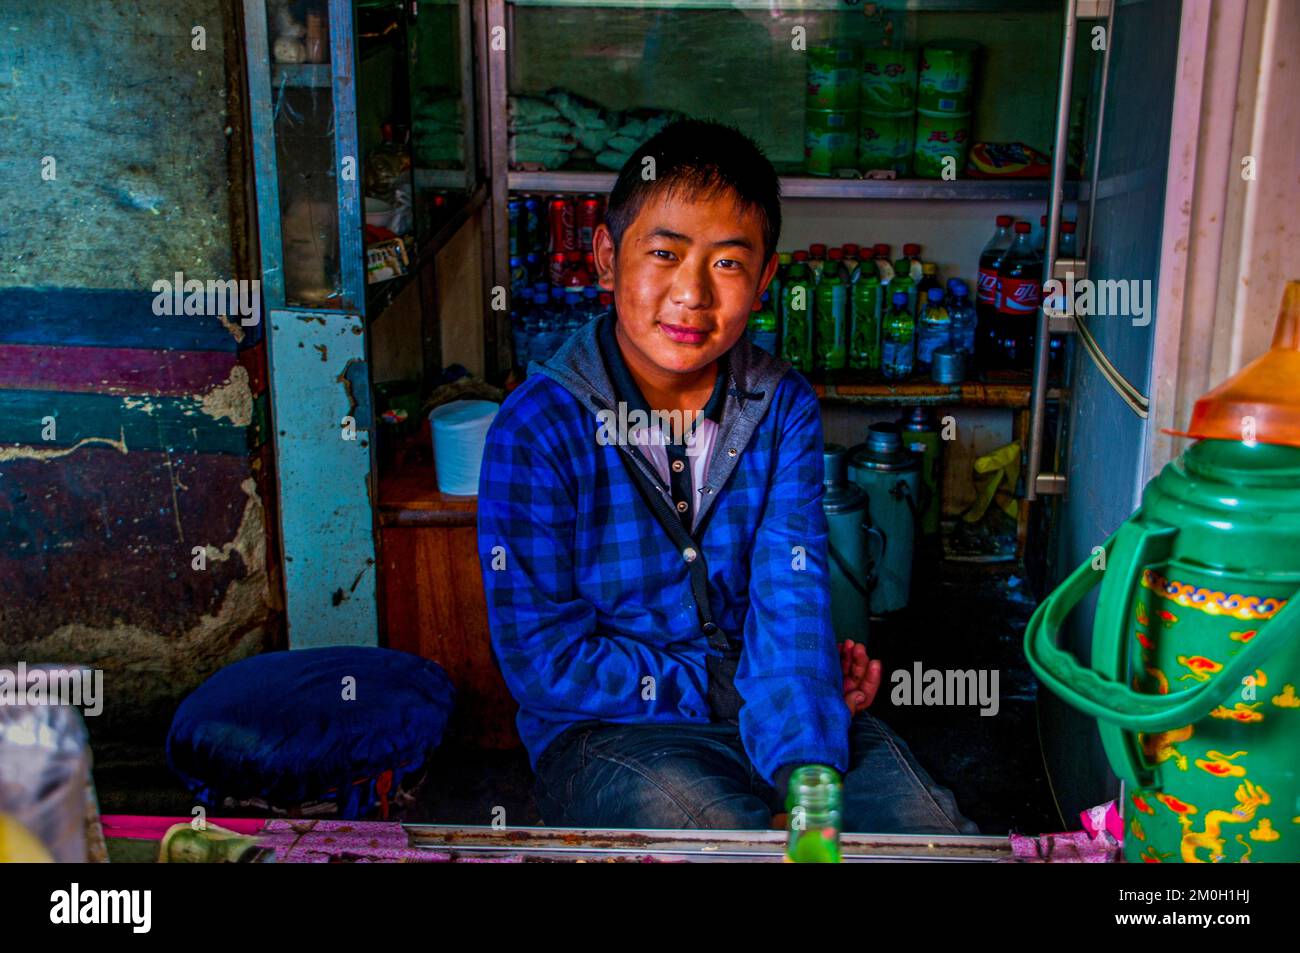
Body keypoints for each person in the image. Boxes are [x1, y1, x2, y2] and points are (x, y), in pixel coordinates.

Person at [477, 119, 978, 835]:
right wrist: (739, 686)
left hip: (781, 708)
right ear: (607, 258)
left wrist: (803, 743)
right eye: (664, 253)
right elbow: (546, 660)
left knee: (925, 837)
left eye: (728, 264)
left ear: (766, 279)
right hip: (613, 734)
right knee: (718, 843)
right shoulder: (536, 429)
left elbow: (790, 595)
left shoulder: (781, 406)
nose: (691, 294)